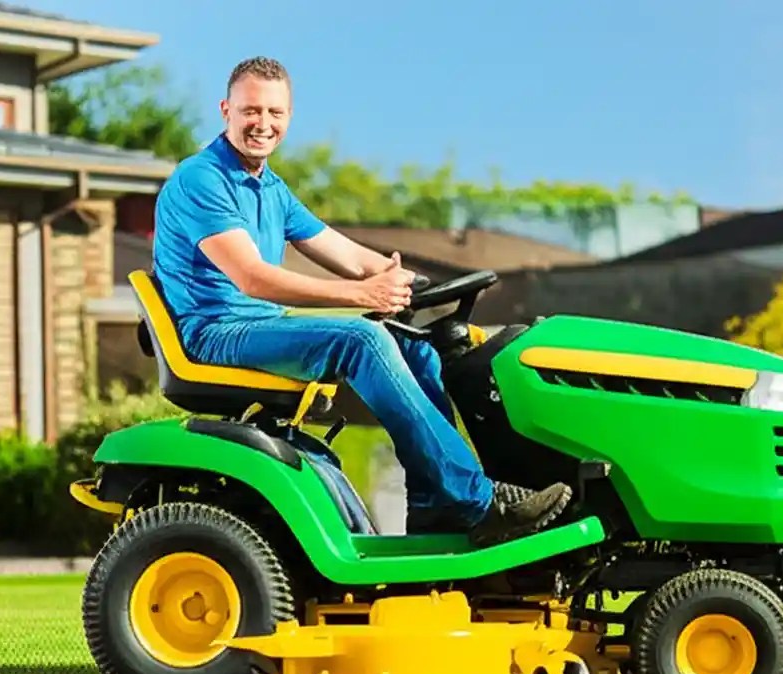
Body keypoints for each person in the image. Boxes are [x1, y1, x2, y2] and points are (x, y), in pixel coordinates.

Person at [151, 56, 571, 547]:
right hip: (216, 333)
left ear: (289, 117)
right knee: (363, 338)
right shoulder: (201, 179)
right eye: (251, 111)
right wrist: (361, 295)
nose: (262, 123)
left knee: (416, 347)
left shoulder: (270, 187)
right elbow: (252, 278)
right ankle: (475, 502)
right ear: (227, 110)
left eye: (274, 112)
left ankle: (435, 507)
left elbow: (346, 254)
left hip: (259, 325)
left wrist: (409, 281)